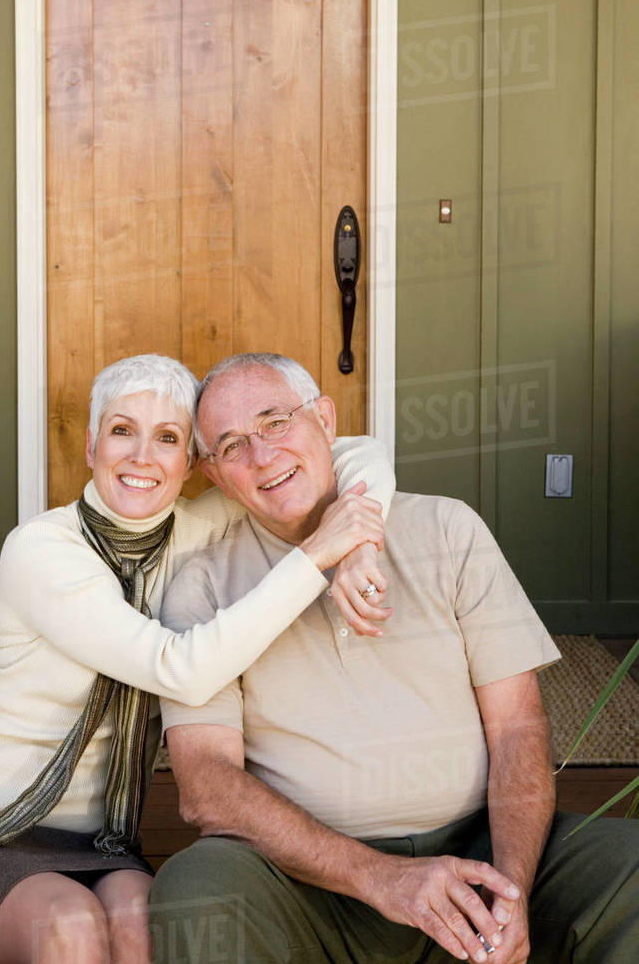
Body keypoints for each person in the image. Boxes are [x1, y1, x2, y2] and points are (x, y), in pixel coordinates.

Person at [0, 354, 394, 964]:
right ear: (93, 444)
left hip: (100, 844)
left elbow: (352, 453)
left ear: (194, 465)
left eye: (168, 438)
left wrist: (362, 544)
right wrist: (317, 558)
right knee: (68, 928)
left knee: (145, 925)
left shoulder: (189, 530)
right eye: (123, 430)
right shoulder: (43, 549)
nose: (143, 457)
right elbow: (182, 668)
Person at [152, 352, 639, 964]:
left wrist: (509, 887)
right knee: (195, 894)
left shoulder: (447, 530)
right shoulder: (203, 586)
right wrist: (383, 878)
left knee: (632, 871)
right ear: (217, 477)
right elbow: (207, 788)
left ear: (326, 420)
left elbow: (518, 725)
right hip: (310, 886)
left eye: (276, 422)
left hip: (478, 853)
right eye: (230, 446)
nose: (261, 454)